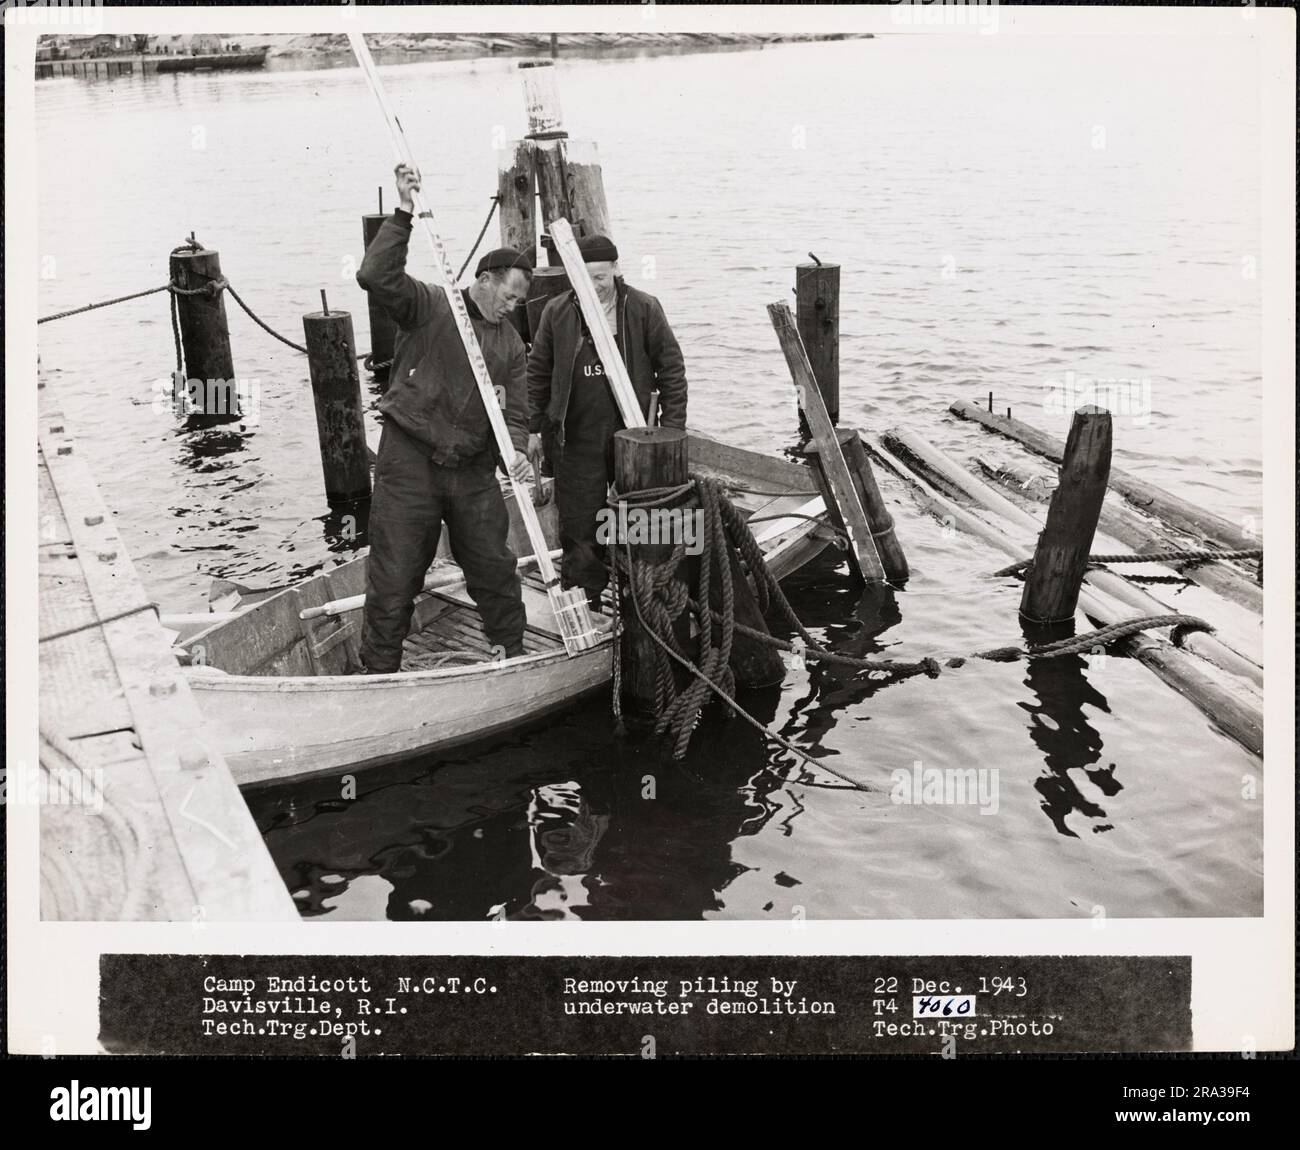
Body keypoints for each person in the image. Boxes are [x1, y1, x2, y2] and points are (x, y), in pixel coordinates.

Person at [355, 162, 535, 672]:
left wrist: (517, 453)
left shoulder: (511, 347)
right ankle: (379, 671)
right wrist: (404, 212)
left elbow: (514, 416)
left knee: (495, 569)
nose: (513, 307)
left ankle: (511, 655)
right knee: (395, 576)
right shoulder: (432, 306)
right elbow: (374, 275)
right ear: (484, 280)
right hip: (409, 460)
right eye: (509, 295)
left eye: (521, 301)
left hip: (472, 470)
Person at [525, 234, 688, 606]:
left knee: (645, 520)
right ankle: (588, 599)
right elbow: (537, 373)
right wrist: (533, 427)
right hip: (577, 437)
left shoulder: (644, 308)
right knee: (580, 525)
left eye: (601, 276)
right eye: (586, 277)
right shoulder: (557, 312)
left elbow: (671, 371)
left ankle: (649, 597)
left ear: (616, 269)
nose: (595, 285)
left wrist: (671, 433)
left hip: (633, 435)